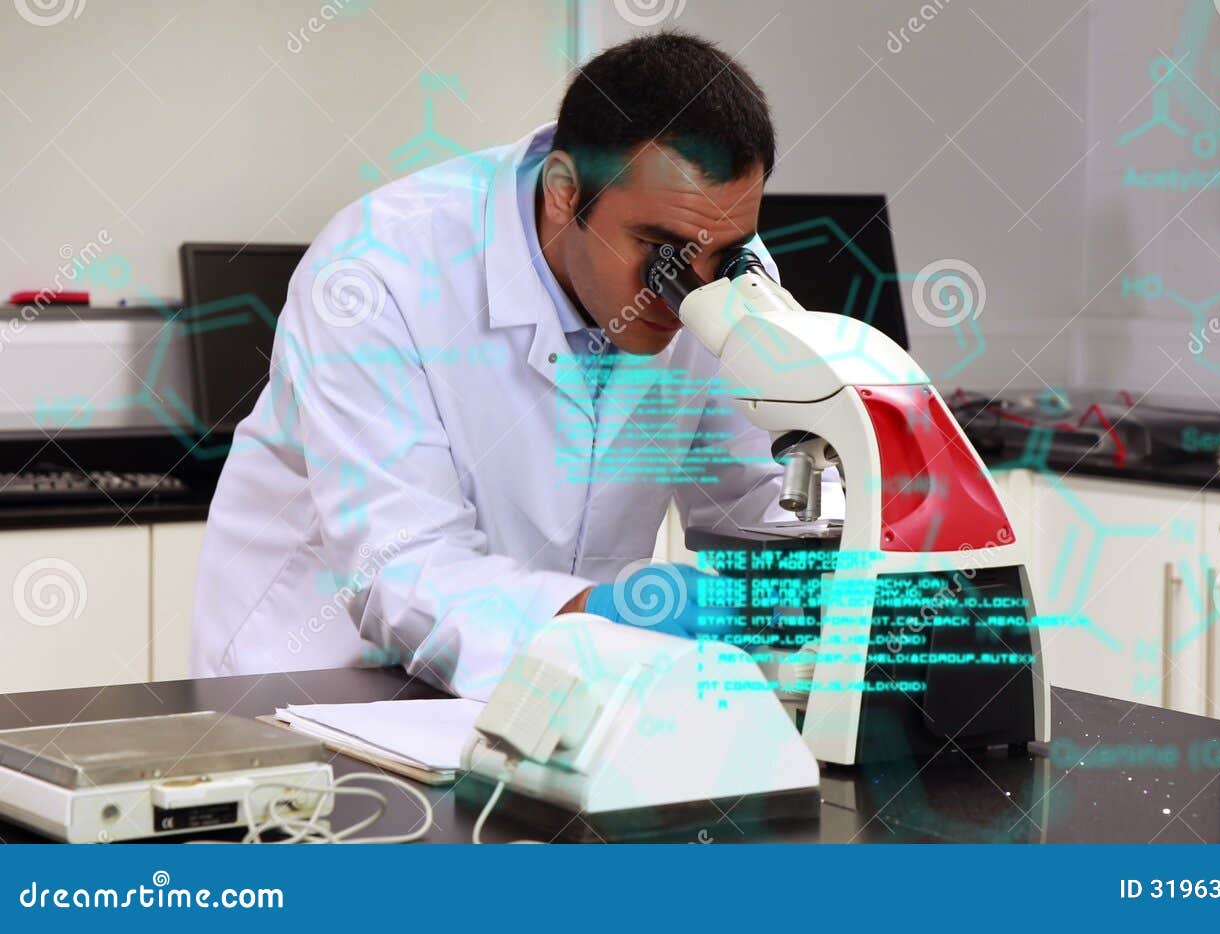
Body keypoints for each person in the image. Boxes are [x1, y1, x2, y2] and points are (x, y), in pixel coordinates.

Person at [191, 33, 797, 699]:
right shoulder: (376, 272)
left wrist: (842, 578)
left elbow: (752, 501)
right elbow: (404, 569)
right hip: (327, 682)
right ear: (566, 193)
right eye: (659, 249)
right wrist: (606, 612)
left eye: (726, 253)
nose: (690, 292)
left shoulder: (715, 262)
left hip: (568, 687)